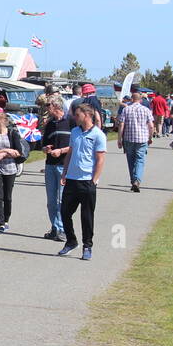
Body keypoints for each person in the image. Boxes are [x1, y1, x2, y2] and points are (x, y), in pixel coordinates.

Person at [58, 102, 106, 260]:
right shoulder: (74, 132)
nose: (74, 117)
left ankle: (87, 246)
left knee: (86, 217)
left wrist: (95, 179)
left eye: (77, 114)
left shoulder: (98, 135)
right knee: (65, 212)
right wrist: (64, 173)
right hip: (72, 179)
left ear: (87, 115)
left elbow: (100, 159)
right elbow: (70, 154)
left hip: (87, 182)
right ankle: (71, 241)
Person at [40, 98, 72, 241]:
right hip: (50, 165)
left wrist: (61, 151)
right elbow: (43, 145)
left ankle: (62, 229)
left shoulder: (71, 122)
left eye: (48, 105)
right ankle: (55, 228)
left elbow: (75, 145)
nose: (46, 108)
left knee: (61, 200)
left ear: (56, 106)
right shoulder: (50, 124)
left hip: (63, 165)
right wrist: (45, 149)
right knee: (51, 201)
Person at [0, 111, 25, 233]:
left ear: (2, 121)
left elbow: (18, 152)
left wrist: (3, 153)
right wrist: (6, 151)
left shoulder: (13, 134)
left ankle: (7, 219)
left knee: (7, 196)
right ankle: (1, 222)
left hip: (10, 168)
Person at [115, 86, 154, 192]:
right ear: (140, 100)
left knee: (130, 160)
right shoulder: (146, 110)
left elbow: (121, 125)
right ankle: (137, 180)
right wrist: (150, 137)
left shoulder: (126, 109)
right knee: (140, 160)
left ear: (132, 99)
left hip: (128, 138)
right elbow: (151, 125)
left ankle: (133, 180)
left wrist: (119, 139)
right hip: (142, 139)